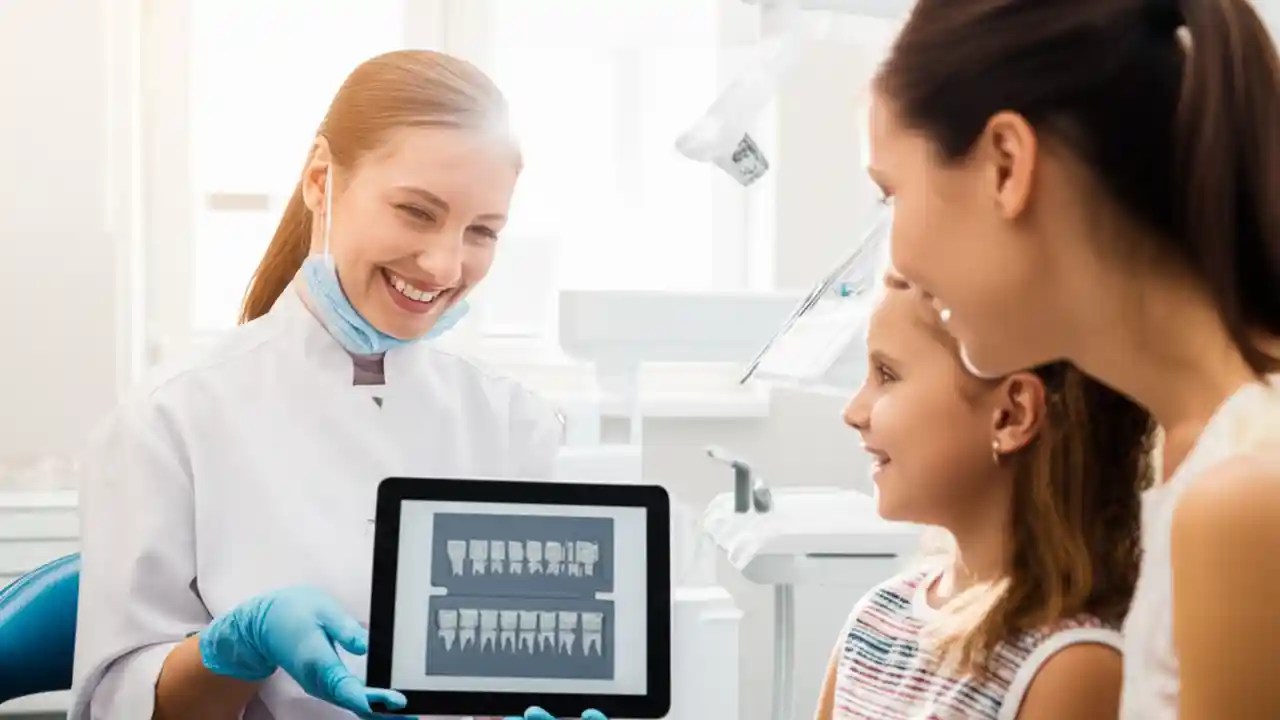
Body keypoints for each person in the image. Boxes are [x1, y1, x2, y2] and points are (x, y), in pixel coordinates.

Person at [69, 50, 594, 720]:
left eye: (481, 231)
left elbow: (520, 675)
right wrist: (236, 651)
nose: (444, 264)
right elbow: (120, 703)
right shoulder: (171, 417)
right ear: (322, 179)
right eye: (416, 212)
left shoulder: (514, 423)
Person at [866, 0, 1280, 717]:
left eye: (890, 193)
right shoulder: (1194, 456)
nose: (897, 260)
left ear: (1005, 165)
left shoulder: (1240, 497)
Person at [812, 272, 1153, 719]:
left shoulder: (1071, 669)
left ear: (1011, 415)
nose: (853, 411)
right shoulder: (876, 621)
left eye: (887, 374)